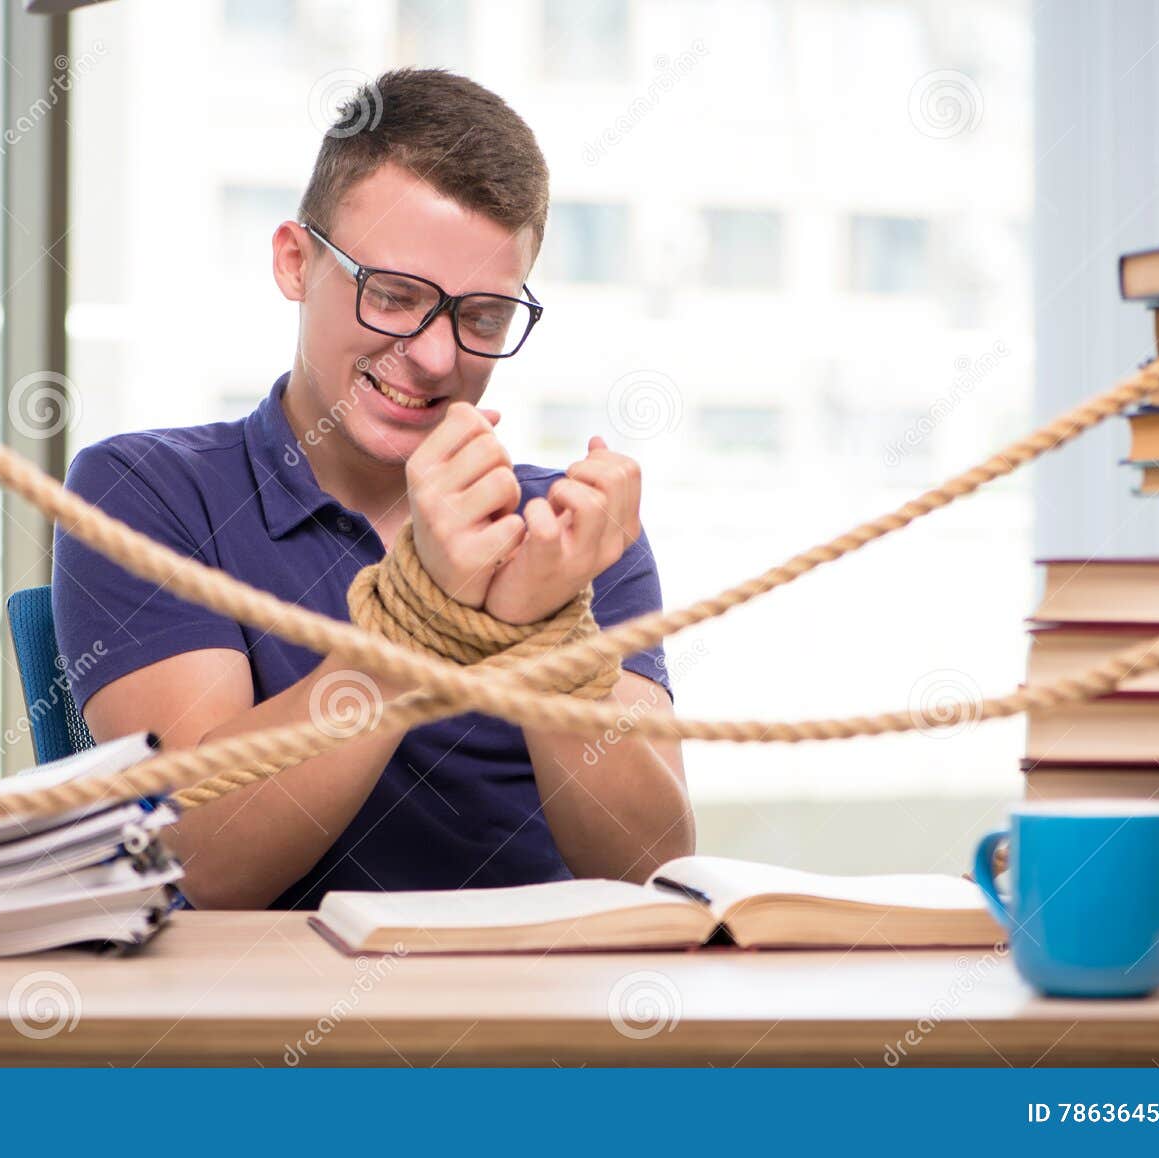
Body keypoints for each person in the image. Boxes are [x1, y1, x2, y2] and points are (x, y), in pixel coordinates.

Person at [52, 68, 693, 910]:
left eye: (484, 316)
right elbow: (198, 864)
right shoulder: (145, 493)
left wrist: (547, 635)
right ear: (295, 262)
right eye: (393, 296)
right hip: (260, 1025)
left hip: (540, 1023)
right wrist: (422, 613)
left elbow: (652, 871)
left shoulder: (569, 532)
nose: (435, 357)